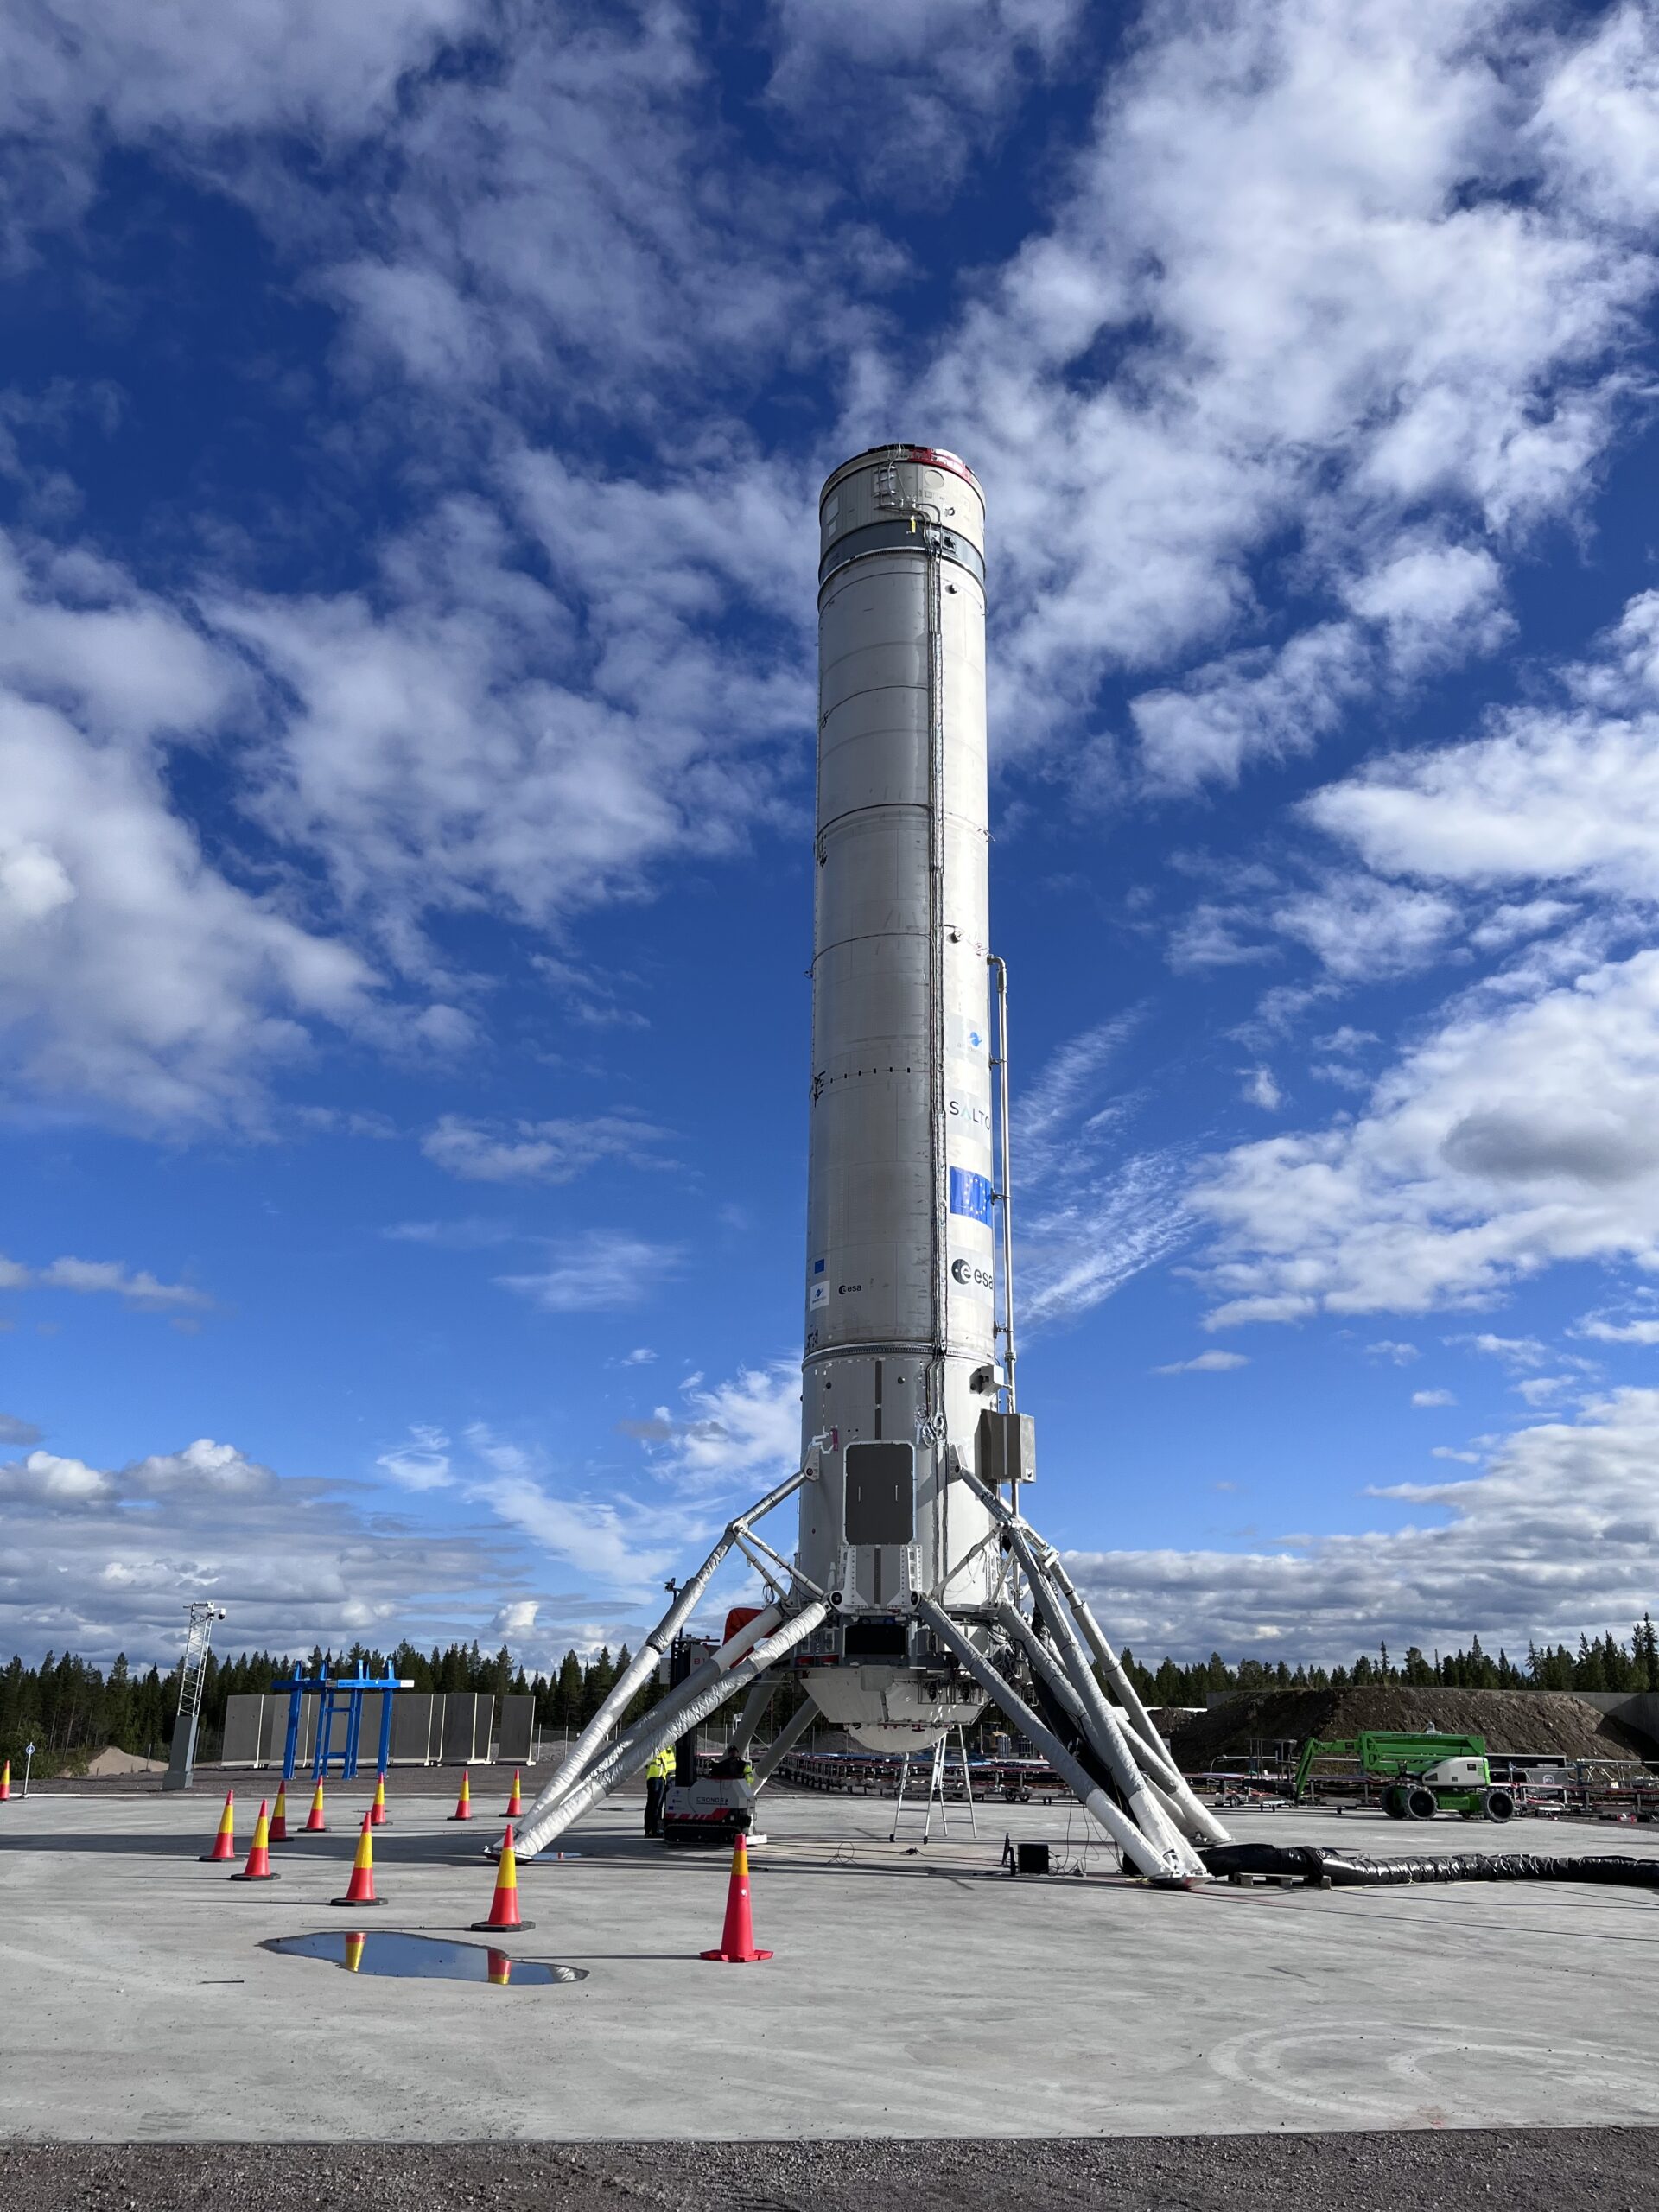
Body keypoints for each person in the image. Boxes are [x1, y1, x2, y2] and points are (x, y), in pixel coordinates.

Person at [645, 1743, 674, 1836]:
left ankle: (653, 1829)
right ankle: (652, 1829)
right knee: (655, 1806)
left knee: (656, 1806)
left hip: (662, 1776)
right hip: (657, 1777)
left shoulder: (669, 1746)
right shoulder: (659, 1743)